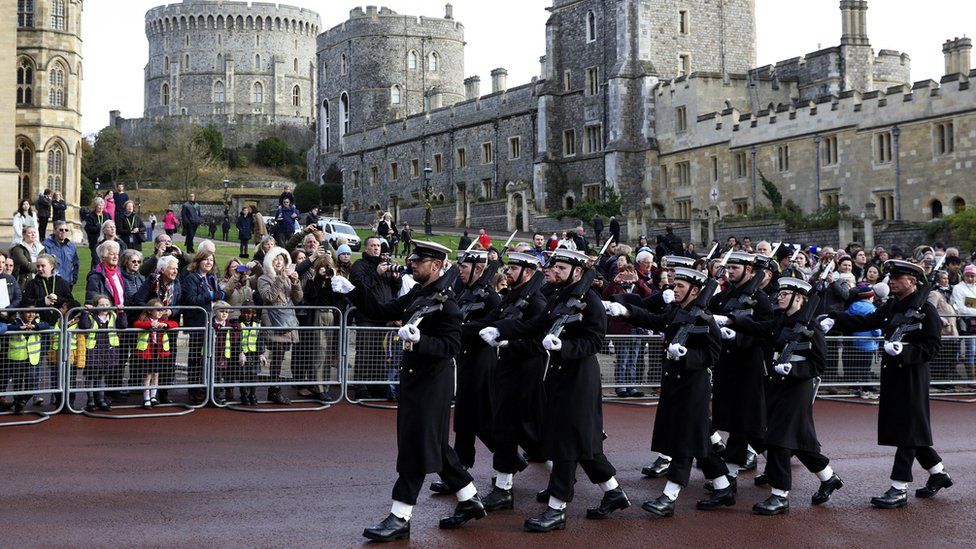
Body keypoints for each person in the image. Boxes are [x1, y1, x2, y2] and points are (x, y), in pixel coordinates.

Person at [333, 241, 486, 542]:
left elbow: (451, 346)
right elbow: (380, 310)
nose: (412, 264)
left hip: (432, 384)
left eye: (420, 261)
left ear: (436, 265)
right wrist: (353, 291)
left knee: (415, 447)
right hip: (415, 380)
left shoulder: (447, 303)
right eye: (413, 259)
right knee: (436, 446)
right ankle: (469, 498)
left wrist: (420, 340)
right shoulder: (419, 293)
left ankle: (400, 516)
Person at [483, 249, 629, 532]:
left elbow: (595, 341)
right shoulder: (558, 297)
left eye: (561, 268)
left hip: (580, 379)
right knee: (583, 443)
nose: (555, 272)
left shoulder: (591, 301)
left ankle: (557, 508)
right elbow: (535, 325)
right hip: (559, 377)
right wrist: (501, 330)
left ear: (577, 271)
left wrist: (566, 346)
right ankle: (613, 493)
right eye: (555, 267)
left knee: (566, 443)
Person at [822, 260, 951, 509]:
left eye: (897, 278)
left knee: (907, 430)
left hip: (913, 375)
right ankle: (938, 473)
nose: (891, 281)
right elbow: (868, 321)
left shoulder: (926, 309)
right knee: (909, 427)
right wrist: (834, 318)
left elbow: (933, 346)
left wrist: (906, 351)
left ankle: (899, 487)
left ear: (912, 281)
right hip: (893, 374)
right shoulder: (892, 305)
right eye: (891, 277)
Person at [604, 267, 730, 518]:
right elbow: (654, 320)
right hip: (675, 385)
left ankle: (669, 497)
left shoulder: (704, 319)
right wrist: (626, 312)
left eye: (680, 286)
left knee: (684, 442)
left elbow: (713, 354)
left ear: (695, 291)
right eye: (675, 285)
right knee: (700, 440)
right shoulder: (676, 311)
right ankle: (723, 487)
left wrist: (687, 355)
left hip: (693, 387)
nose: (675, 289)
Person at [718, 277, 844, 515]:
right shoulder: (780, 320)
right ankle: (828, 478)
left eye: (785, 294)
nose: (780, 297)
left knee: (777, 440)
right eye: (780, 293)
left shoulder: (811, 326)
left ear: (799, 298)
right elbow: (757, 328)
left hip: (797, 389)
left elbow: (819, 364)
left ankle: (780, 495)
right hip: (776, 386)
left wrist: (794, 369)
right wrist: (731, 321)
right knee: (798, 440)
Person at [704, 252, 775, 494]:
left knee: (740, 423)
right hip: (727, 365)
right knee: (750, 427)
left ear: (749, 271)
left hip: (749, 368)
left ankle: (730, 475)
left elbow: (767, 332)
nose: (730, 271)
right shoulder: (723, 297)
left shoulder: (760, 300)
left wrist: (739, 335)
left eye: (735, 268)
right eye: (729, 268)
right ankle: (778, 465)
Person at [348, 236, 402, 399]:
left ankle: (378, 385)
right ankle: (361, 386)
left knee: (381, 354)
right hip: (367, 316)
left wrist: (396, 279)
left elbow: (394, 289)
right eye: (372, 245)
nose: (376, 248)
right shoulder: (359, 265)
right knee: (365, 352)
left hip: (384, 317)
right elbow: (359, 287)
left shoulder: (385, 265)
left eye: (378, 245)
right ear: (366, 248)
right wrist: (377, 273)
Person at [257, 246, 302, 404]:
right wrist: (281, 278)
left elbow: (298, 299)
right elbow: (269, 297)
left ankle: (274, 389)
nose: (278, 262)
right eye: (275, 259)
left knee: (281, 356)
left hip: (287, 321)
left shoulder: (287, 278)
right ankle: (274, 390)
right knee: (277, 355)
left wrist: (295, 283)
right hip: (273, 320)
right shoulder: (264, 278)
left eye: (281, 260)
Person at [180, 249, 226, 404]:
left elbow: (219, 295)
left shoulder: (212, 278)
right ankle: (194, 391)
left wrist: (219, 294)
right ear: (198, 261)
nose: (209, 262)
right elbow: (191, 299)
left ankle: (209, 390)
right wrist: (210, 295)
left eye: (211, 260)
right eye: (206, 259)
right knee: (195, 359)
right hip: (197, 324)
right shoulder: (191, 278)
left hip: (211, 325)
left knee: (210, 358)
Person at [79, 294, 125, 412]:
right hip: (94, 350)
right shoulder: (91, 316)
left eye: (107, 304)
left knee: (101, 376)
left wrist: (121, 312)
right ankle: (90, 400)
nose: (104, 307)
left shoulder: (113, 316)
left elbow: (123, 325)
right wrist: (85, 312)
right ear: (95, 306)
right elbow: (84, 325)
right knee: (91, 376)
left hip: (108, 350)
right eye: (101, 305)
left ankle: (100, 399)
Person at [132, 299, 177, 409]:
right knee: (147, 376)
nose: (160, 312)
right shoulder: (144, 320)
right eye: (158, 310)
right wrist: (150, 324)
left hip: (159, 351)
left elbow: (175, 324)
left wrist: (165, 325)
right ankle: (146, 398)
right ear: (150, 310)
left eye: (162, 310)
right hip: (148, 351)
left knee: (156, 374)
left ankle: (153, 396)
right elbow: (136, 324)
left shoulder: (163, 320)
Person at [846, 284, 882, 399]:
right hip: (868, 343)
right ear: (871, 297)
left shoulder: (853, 306)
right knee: (865, 368)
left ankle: (855, 387)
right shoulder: (872, 308)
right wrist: (878, 335)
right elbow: (876, 327)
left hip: (855, 340)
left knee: (855, 366)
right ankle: (866, 389)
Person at [6, 303, 43, 415]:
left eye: (33, 312)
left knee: (31, 382)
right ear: (21, 313)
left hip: (32, 358)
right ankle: (18, 405)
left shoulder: (36, 322)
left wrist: (35, 326)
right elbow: (7, 327)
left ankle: (22, 401)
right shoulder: (15, 321)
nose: (31, 315)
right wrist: (19, 328)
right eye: (28, 312)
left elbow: (46, 325)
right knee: (17, 382)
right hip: (17, 358)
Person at [952, 264, 976, 381]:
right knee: (971, 350)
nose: (970, 278)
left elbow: (967, 306)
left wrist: (971, 308)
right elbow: (960, 308)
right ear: (964, 276)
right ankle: (971, 379)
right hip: (968, 325)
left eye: (973, 276)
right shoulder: (958, 288)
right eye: (968, 276)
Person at [42, 221, 79, 289]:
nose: (64, 232)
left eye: (66, 230)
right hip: (52, 283)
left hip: (67, 283)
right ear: (54, 231)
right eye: (61, 230)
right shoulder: (46, 245)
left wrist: (74, 279)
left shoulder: (71, 246)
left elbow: (76, 264)